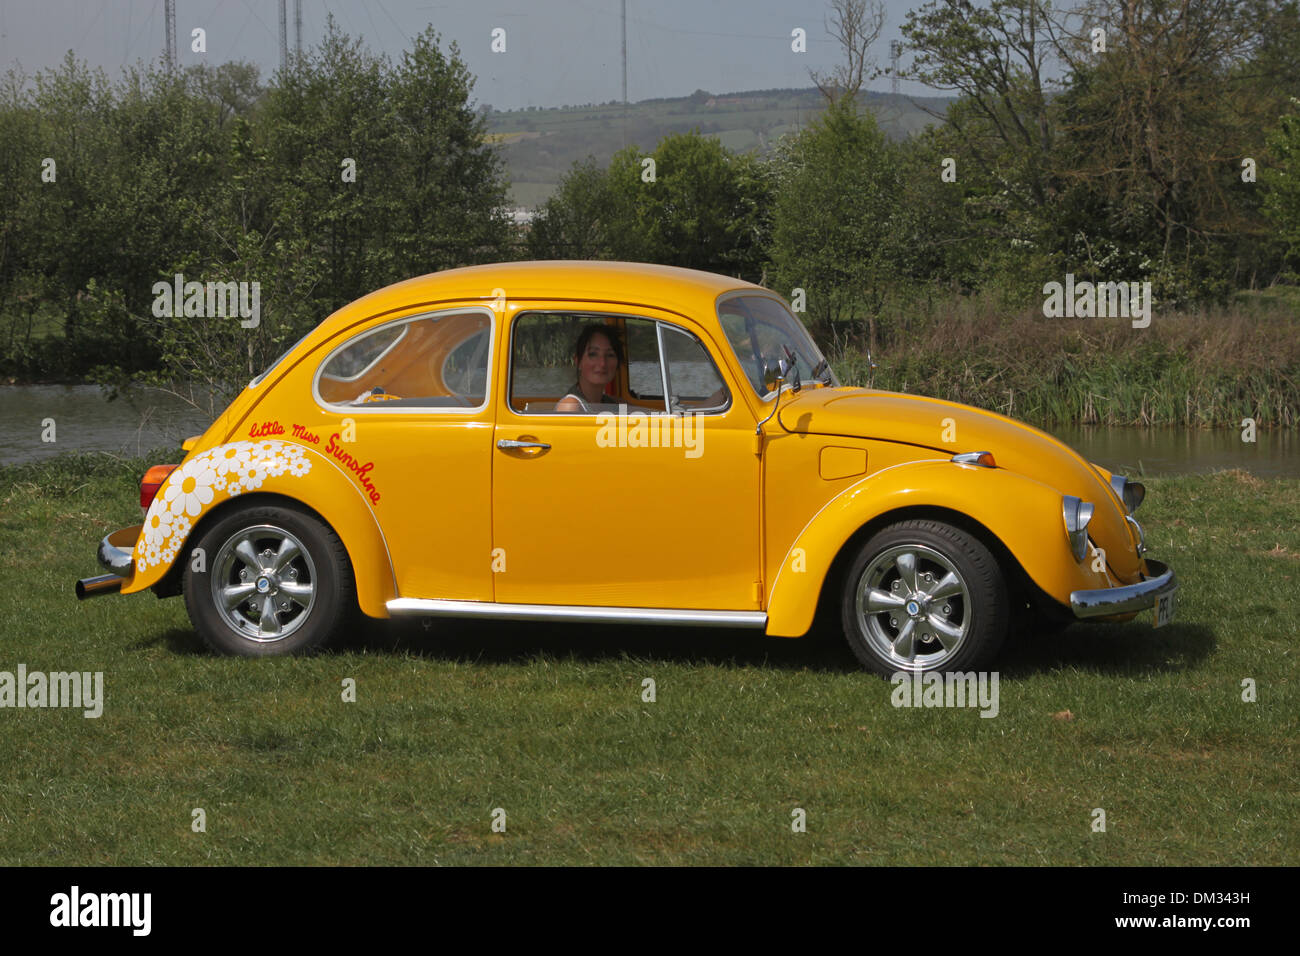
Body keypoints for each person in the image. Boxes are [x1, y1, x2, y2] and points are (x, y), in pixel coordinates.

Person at [556, 324, 624, 413]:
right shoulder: (570, 407)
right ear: (578, 361)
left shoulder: (613, 404)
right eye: (593, 354)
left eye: (610, 355)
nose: (602, 363)